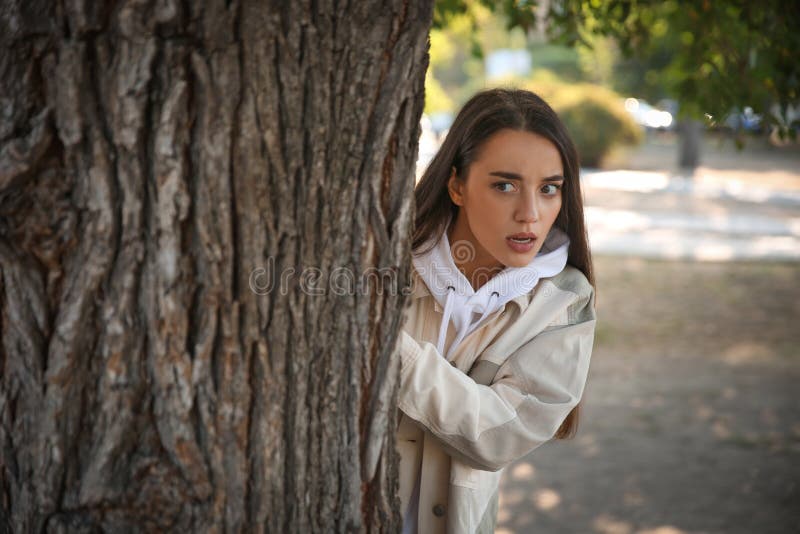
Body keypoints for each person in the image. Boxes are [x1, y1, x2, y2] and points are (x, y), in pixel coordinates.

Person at [395, 88, 596, 534]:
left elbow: (500, 435)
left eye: (548, 189)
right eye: (504, 185)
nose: (530, 214)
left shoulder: (564, 303)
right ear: (457, 185)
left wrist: (389, 352)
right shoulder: (390, 262)